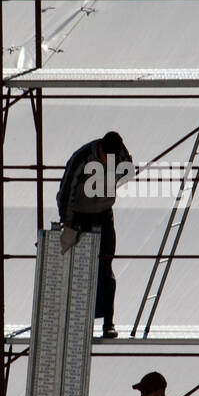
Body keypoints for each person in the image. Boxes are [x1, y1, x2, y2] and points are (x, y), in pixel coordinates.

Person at [57, 131, 133, 338]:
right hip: (81, 218)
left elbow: (129, 171)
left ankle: (108, 322)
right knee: (81, 269)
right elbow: (65, 192)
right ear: (99, 147)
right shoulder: (82, 158)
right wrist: (69, 224)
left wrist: (108, 184)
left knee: (106, 268)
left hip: (104, 216)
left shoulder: (120, 154)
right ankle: (80, 321)